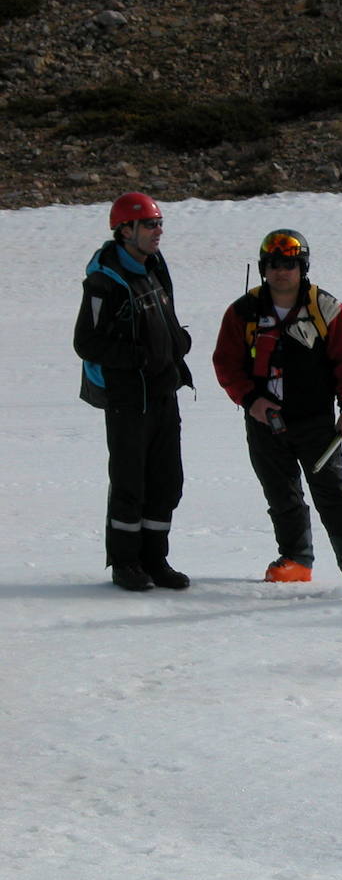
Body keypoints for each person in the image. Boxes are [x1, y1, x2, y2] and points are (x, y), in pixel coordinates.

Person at [212, 229, 342, 594]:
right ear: (264, 268)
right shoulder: (242, 312)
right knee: (281, 492)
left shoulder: (326, 308)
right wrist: (251, 401)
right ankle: (295, 560)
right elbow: (226, 365)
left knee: (332, 490)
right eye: (275, 264)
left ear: (302, 267)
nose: (282, 272)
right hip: (264, 422)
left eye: (290, 264)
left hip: (316, 422)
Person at [74, 192, 194, 591]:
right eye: (149, 225)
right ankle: (125, 562)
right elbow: (86, 343)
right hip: (129, 400)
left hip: (163, 394)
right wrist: (139, 356)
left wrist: (176, 344)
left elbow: (165, 318)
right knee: (130, 483)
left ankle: (154, 559)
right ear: (125, 231)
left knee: (166, 481)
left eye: (160, 224)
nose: (158, 232)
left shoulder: (155, 266)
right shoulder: (103, 281)